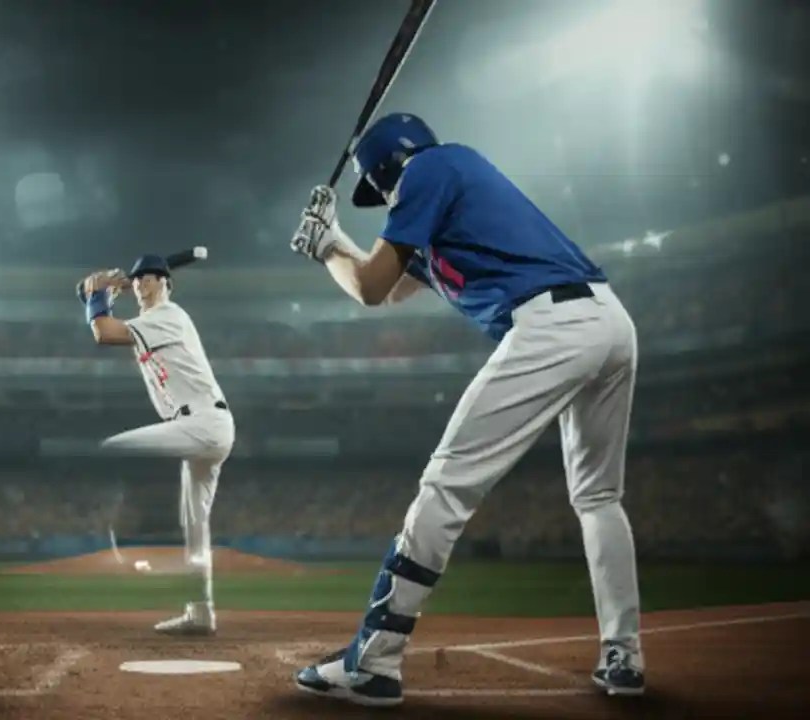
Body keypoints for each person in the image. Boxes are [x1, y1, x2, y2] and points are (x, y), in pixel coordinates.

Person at [289, 113, 643, 706]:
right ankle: (624, 656)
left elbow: (370, 287)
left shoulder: (428, 168)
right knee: (599, 497)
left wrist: (327, 247)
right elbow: (387, 288)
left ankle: (374, 661)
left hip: (552, 326)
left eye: (378, 191)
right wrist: (332, 242)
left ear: (385, 172)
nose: (383, 202)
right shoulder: (446, 185)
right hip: (608, 322)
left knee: (445, 487)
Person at [78, 255, 234, 635]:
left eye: (148, 277)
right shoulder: (147, 322)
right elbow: (101, 318)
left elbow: (104, 333)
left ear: (166, 282)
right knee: (195, 525)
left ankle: (127, 531)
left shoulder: (167, 315)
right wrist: (94, 295)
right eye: (136, 279)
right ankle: (201, 612)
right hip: (197, 426)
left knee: (112, 449)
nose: (140, 283)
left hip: (203, 424)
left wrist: (97, 296)